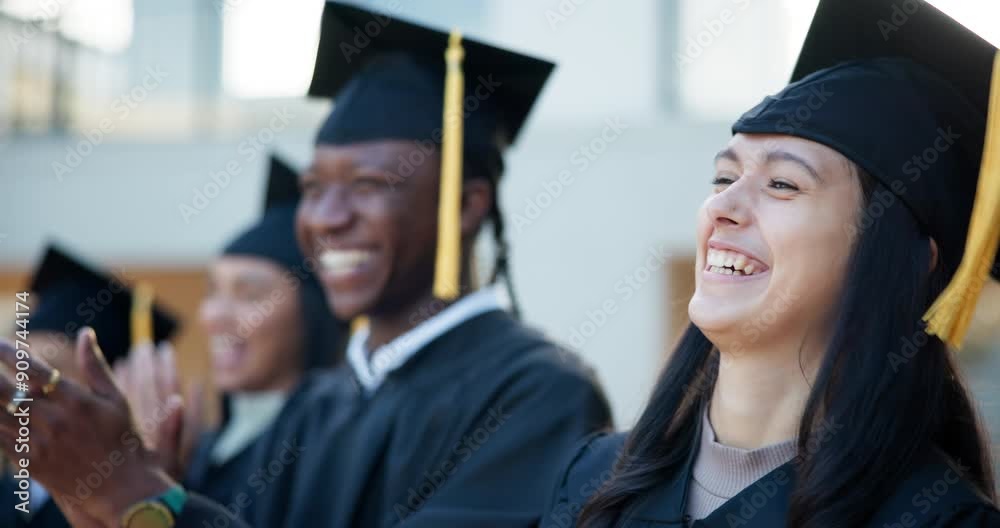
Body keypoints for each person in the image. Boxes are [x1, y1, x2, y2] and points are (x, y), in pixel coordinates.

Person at [0, 3, 612, 527]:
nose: (325, 217)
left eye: (370, 183)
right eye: (315, 188)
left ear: (465, 204)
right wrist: (118, 486)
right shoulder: (316, 405)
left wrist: (134, 493)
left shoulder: (538, 392)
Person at [542, 0, 1000, 527]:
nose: (722, 208)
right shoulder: (591, 483)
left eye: (782, 184)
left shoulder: (932, 520)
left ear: (914, 262)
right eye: (722, 178)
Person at [115, 154, 349, 514]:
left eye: (249, 294)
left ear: (314, 313)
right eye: (212, 292)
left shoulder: (329, 454)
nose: (212, 316)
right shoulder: (203, 447)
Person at [0, 244, 179, 528]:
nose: (22, 389)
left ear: (108, 390)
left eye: (50, 371)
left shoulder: (153, 502)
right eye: (17, 369)